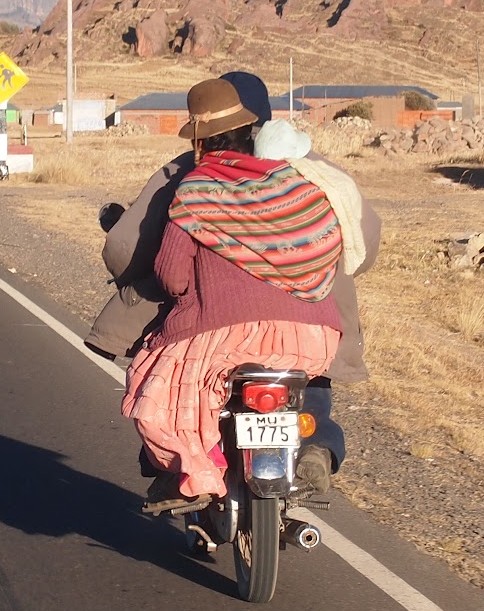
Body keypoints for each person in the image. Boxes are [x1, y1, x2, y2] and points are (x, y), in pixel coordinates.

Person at [88, 70, 380, 493]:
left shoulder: (190, 177)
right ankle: (315, 444)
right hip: (319, 325)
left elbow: (137, 255)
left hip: (222, 326)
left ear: (200, 135)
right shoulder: (313, 171)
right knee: (313, 383)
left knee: (165, 385)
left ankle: (187, 467)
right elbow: (365, 245)